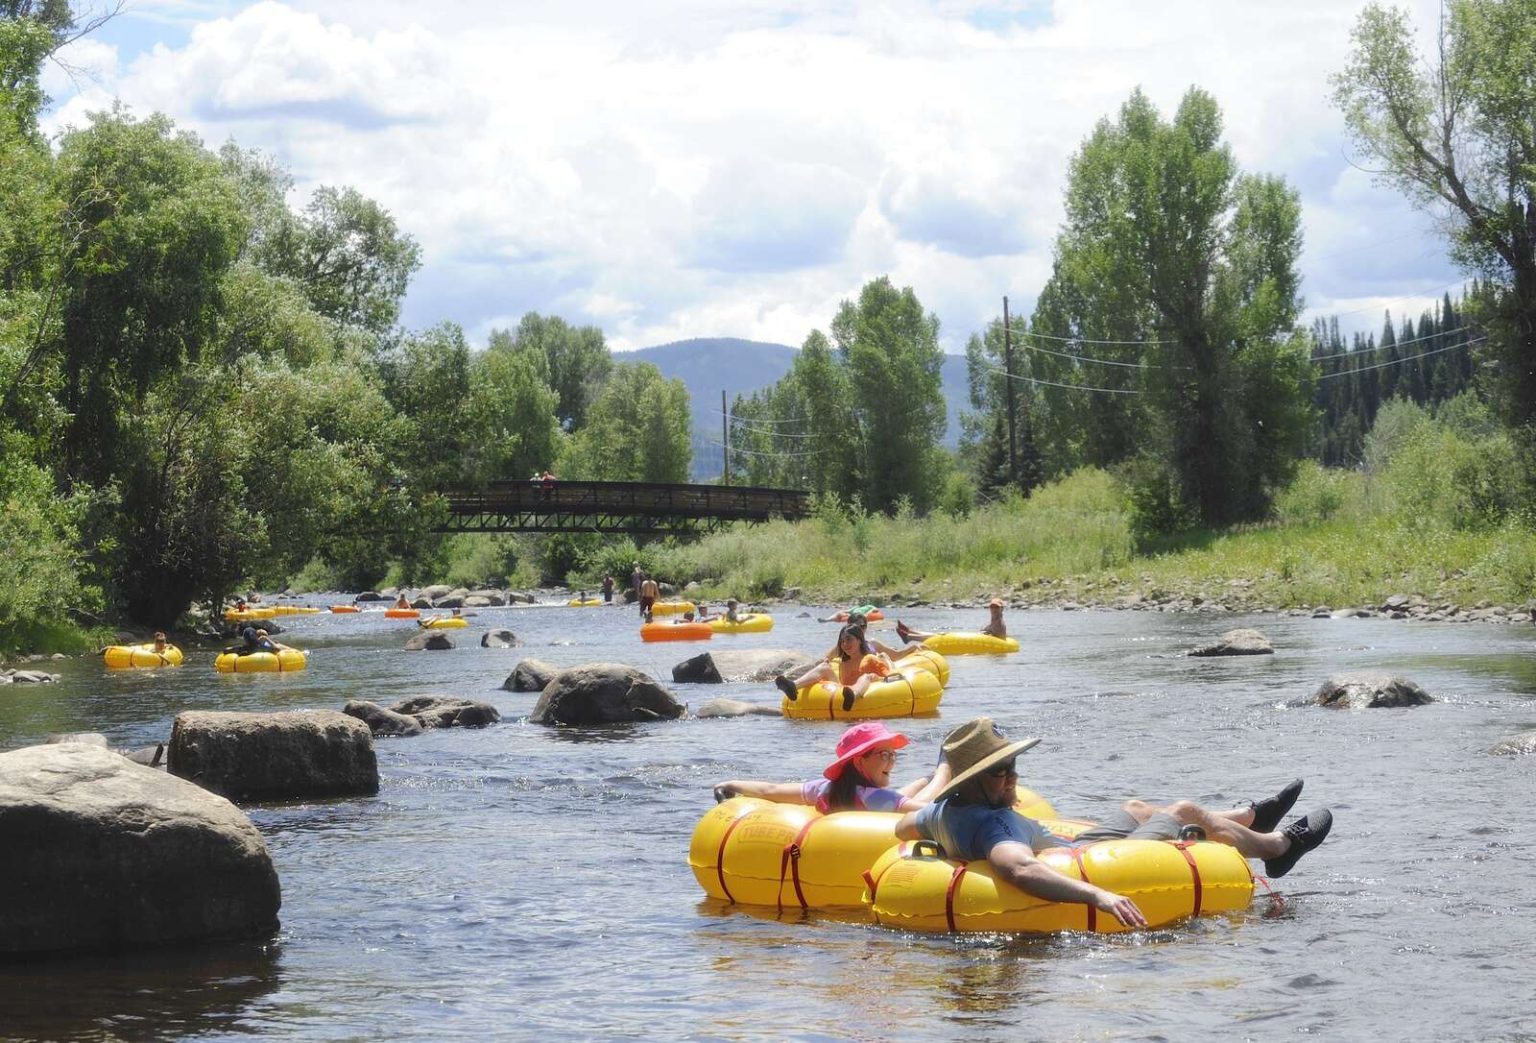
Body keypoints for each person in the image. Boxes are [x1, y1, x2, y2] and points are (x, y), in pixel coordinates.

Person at [894, 718, 1334, 928]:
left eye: (1013, 764)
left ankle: (1247, 819)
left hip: (1072, 843)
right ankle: (1277, 848)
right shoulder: (995, 828)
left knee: (1136, 807)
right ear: (972, 783)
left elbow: (902, 829)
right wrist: (1100, 894)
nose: (1014, 775)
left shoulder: (943, 812)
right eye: (1001, 770)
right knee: (1182, 811)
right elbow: (1020, 869)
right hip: (1087, 861)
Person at [712, 722, 952, 813]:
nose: (892, 760)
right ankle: (941, 768)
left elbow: (771, 790)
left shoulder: (825, 788)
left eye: (893, 754)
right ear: (859, 761)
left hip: (876, 805)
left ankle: (926, 777)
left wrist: (730, 783)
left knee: (900, 794)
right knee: (926, 788)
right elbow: (927, 809)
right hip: (879, 814)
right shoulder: (874, 797)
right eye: (884, 754)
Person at [774, 624, 895, 712]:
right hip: (842, 692)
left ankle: (854, 694)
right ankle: (793, 686)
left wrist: (876, 675)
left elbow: (890, 677)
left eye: (849, 639)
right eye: (842, 641)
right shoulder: (843, 662)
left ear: (859, 640)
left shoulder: (871, 659)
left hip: (860, 692)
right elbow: (840, 683)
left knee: (866, 676)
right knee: (824, 667)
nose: (845, 644)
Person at [897, 598, 1007, 644]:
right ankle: (910, 631)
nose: (993, 610)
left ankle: (909, 637)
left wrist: (985, 633)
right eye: (992, 607)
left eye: (996, 607)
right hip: (976, 639)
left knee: (941, 637)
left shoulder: (999, 623)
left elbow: (994, 637)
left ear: (1002, 609)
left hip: (978, 643)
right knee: (940, 635)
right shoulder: (994, 620)